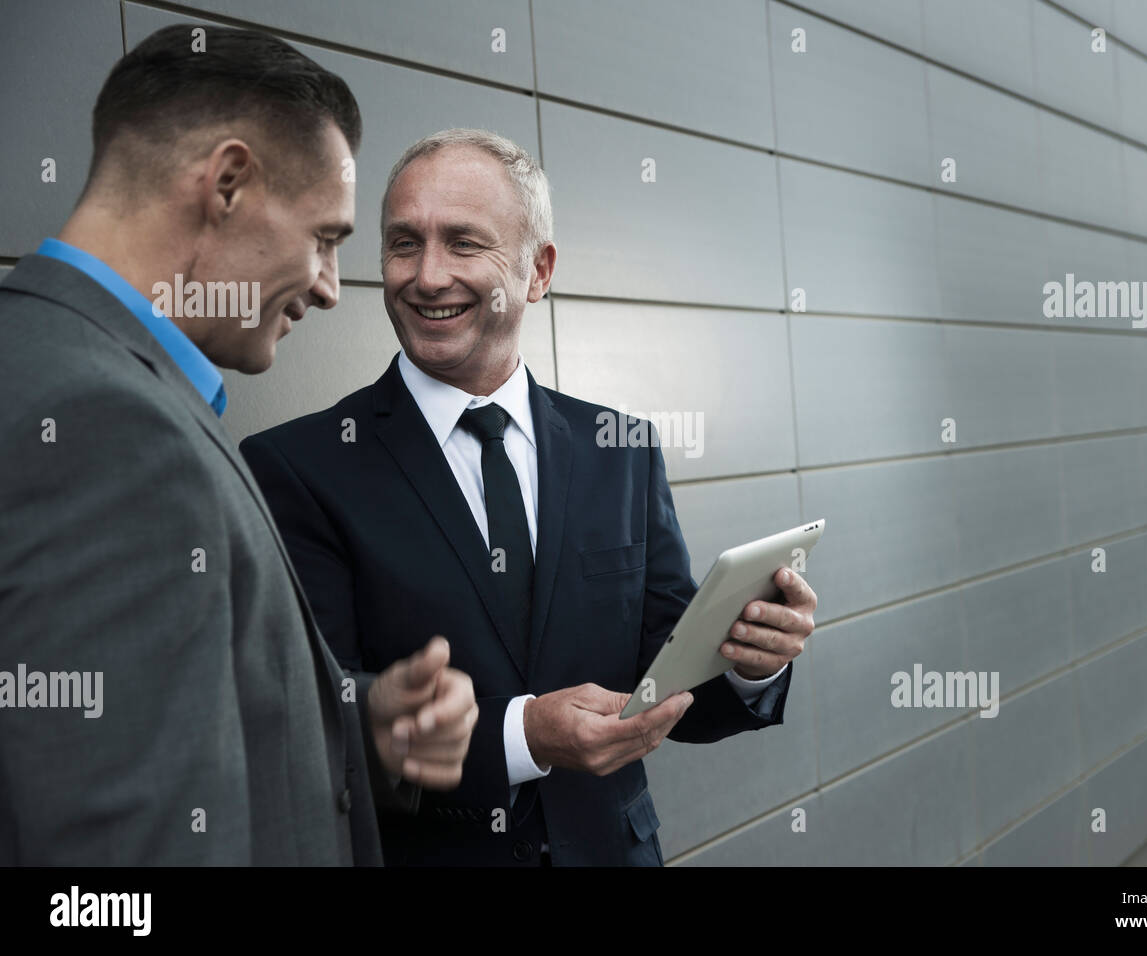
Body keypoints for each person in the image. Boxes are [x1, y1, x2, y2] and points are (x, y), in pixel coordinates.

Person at [240, 129, 817, 866]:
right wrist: (522, 737)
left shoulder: (622, 447)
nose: (426, 275)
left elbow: (662, 680)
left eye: (463, 242)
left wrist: (750, 661)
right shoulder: (298, 467)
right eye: (402, 244)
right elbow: (315, 728)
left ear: (538, 270)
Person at [0, 25, 477, 866]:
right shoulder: (109, 429)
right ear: (226, 183)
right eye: (326, 237)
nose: (332, 287)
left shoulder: (51, 365)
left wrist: (363, 725)